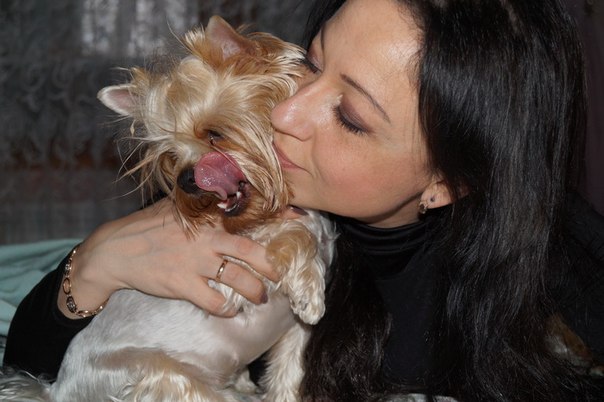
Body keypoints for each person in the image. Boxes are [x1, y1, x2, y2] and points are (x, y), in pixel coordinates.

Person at [4, 0, 604, 400]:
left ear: (447, 182)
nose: (286, 112)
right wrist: (93, 264)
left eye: (350, 117)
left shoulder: (558, 274)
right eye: (312, 63)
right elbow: (37, 363)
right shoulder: (243, 191)